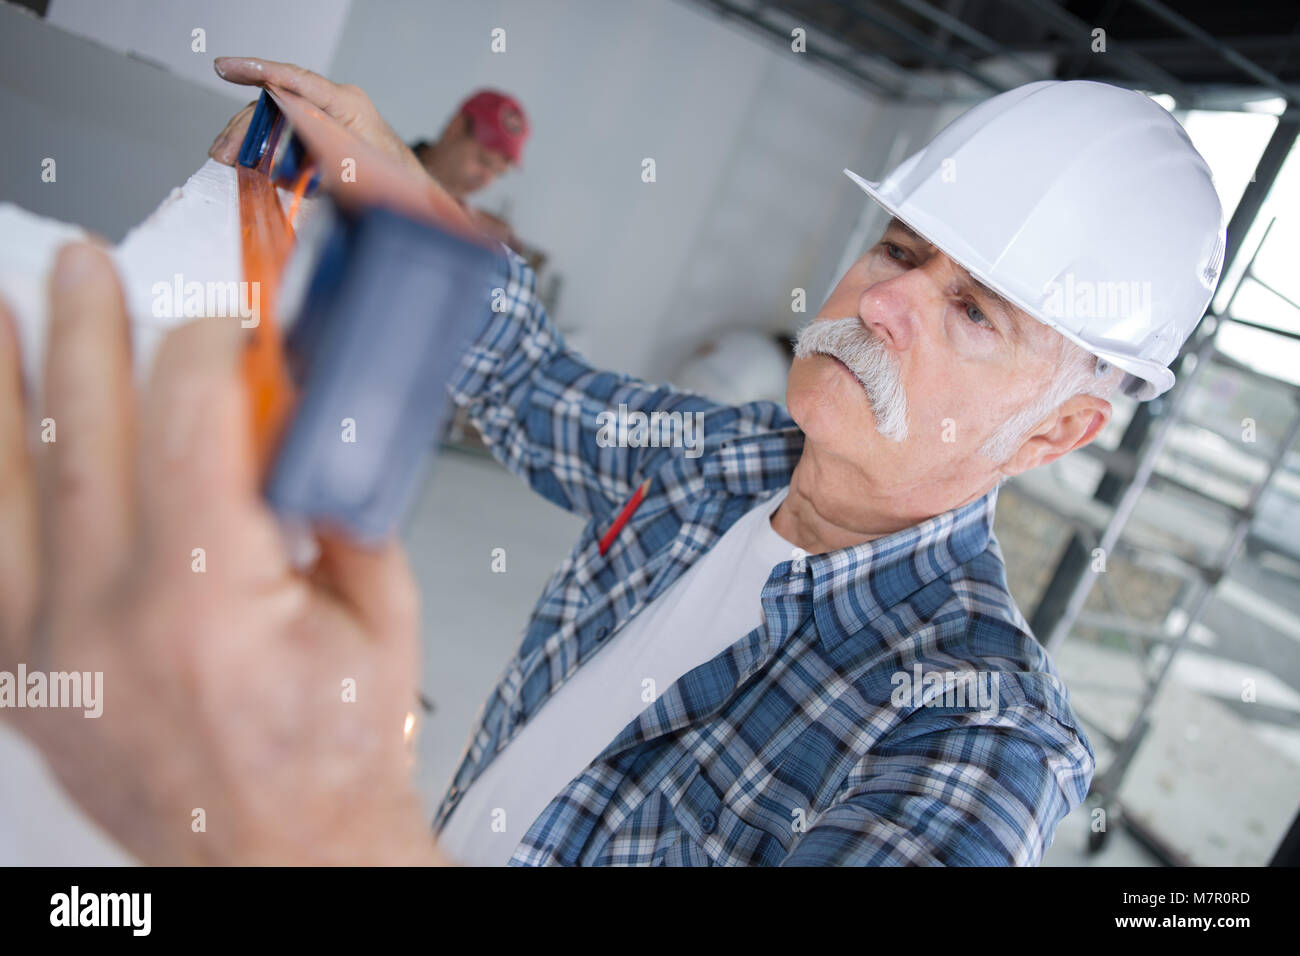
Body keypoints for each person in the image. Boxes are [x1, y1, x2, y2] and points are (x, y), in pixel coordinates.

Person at [0, 56, 1223, 866]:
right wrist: (396, 186)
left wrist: (299, 807)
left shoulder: (976, 736)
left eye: (973, 312)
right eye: (898, 249)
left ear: (1061, 431)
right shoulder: (732, 459)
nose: (888, 304)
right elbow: (533, 385)